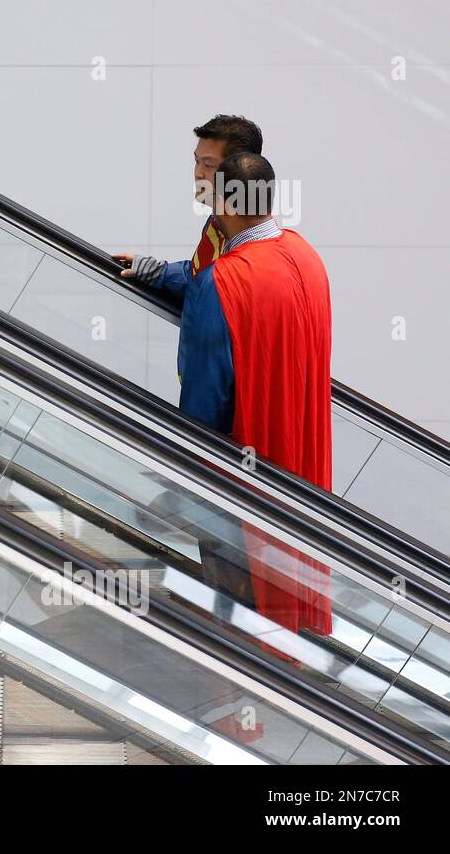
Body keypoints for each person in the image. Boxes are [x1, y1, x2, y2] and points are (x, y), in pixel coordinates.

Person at [175, 152, 334, 636]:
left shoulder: (221, 282)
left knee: (237, 620)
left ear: (225, 201)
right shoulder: (306, 257)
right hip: (299, 469)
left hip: (238, 485)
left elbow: (204, 407)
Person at [113, 114, 264, 302]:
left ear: (240, 171)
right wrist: (158, 272)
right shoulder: (218, 221)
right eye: (196, 161)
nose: (197, 173)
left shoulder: (254, 251)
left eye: (208, 165)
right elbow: (199, 279)